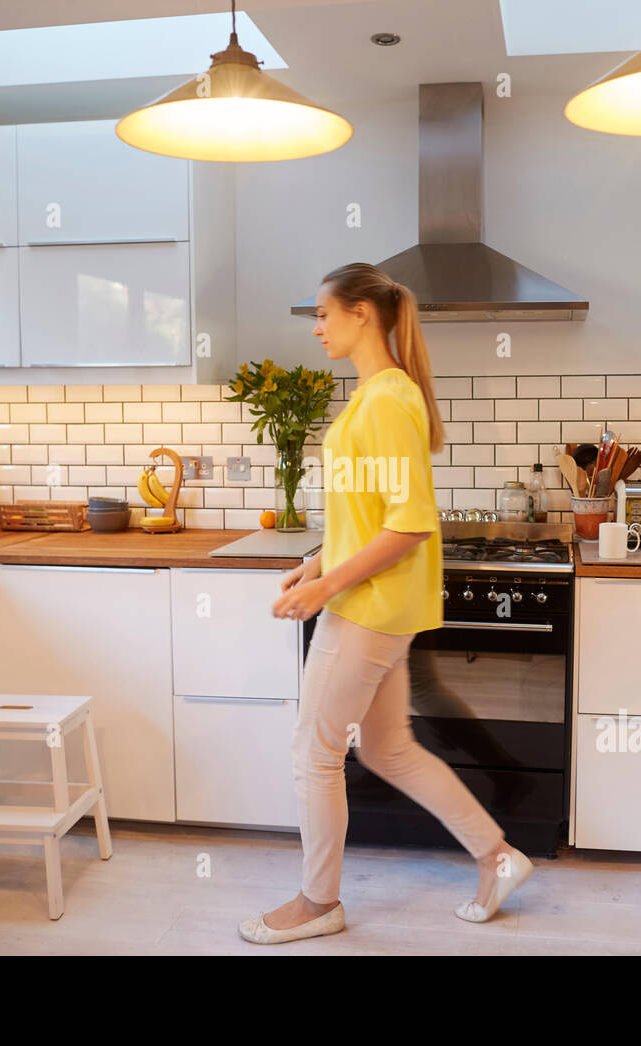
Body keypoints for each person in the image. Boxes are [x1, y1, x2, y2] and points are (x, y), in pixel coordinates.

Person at [238, 262, 533, 945]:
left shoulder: (388, 399)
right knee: (389, 750)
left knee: (313, 753)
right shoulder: (375, 395)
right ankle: (499, 857)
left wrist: (327, 587)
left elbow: (411, 523)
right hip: (375, 603)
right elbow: (366, 517)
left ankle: (318, 903)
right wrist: (315, 562)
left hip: (367, 609)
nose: (316, 328)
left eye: (323, 314)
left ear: (361, 314)